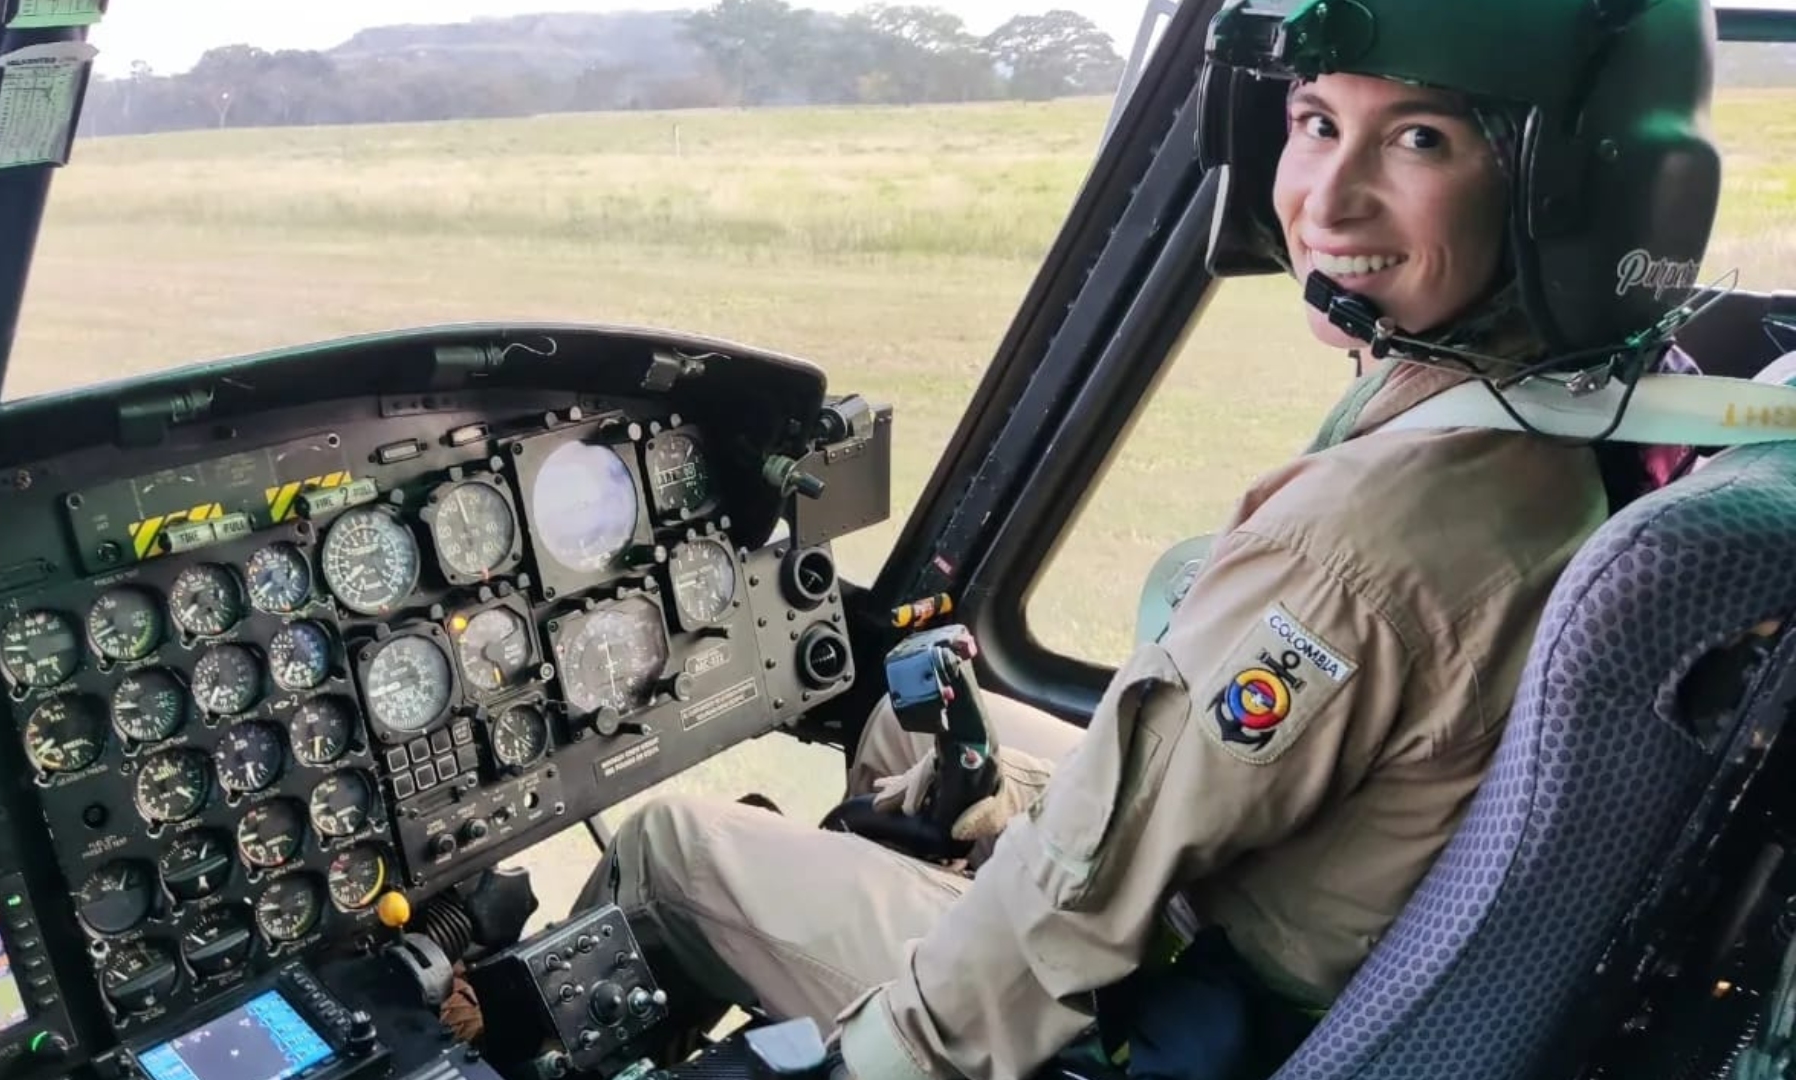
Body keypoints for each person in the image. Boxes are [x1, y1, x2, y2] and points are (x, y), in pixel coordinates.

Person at [564, 2, 1724, 1078]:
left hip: (1179, 1019)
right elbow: (1199, 780)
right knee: (897, 724)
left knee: (671, 849)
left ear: (1565, 189)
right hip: (1299, 926)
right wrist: (1017, 804)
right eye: (1316, 121)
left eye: (1419, 139)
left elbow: (1078, 888)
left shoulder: (1363, 549)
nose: (1326, 200)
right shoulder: (1612, 420)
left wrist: (870, 1058)